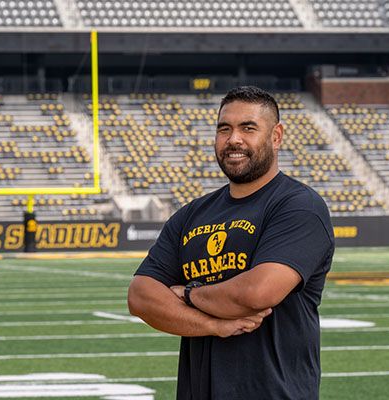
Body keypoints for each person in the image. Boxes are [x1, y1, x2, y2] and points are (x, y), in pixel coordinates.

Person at [127, 86, 335, 400]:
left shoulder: (299, 206)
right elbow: (141, 297)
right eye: (225, 129)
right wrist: (213, 325)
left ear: (276, 136)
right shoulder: (192, 214)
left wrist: (187, 293)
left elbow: (256, 293)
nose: (233, 139)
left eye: (248, 128)